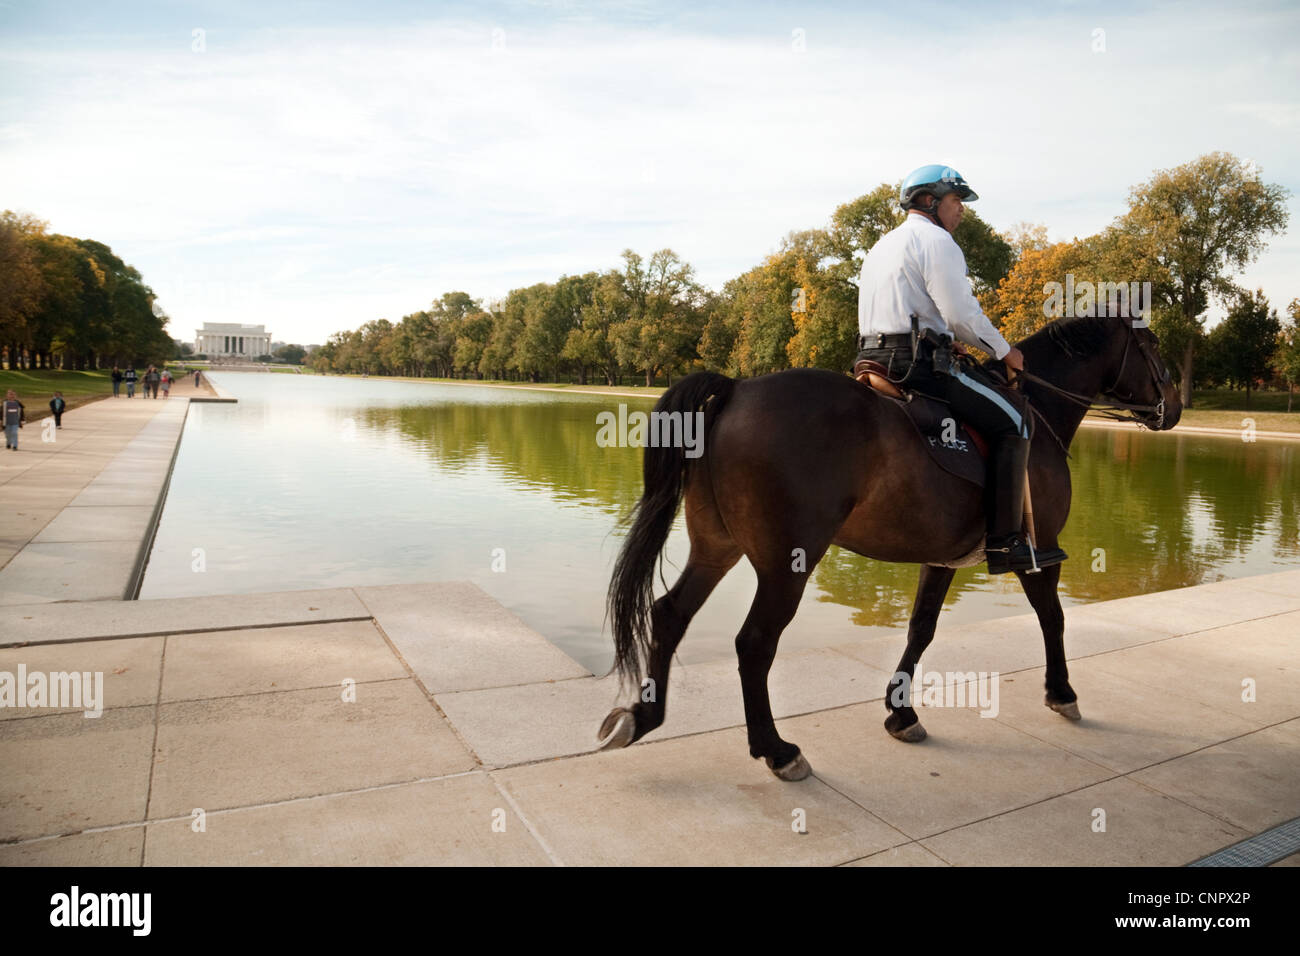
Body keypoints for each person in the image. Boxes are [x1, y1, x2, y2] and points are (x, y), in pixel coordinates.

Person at [856, 164, 1066, 574]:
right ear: (929, 201)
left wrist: (938, 332)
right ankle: (1006, 543)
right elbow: (961, 313)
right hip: (918, 365)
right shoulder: (938, 242)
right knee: (1017, 419)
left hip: (871, 356)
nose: (963, 210)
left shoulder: (882, 246)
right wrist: (1007, 352)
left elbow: (914, 310)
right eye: (957, 200)